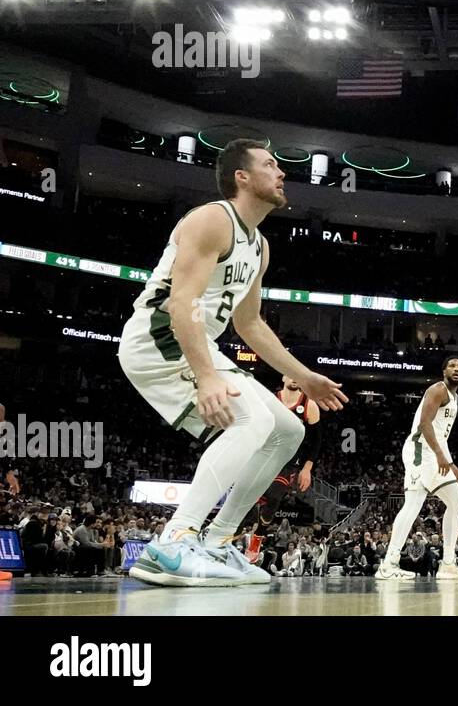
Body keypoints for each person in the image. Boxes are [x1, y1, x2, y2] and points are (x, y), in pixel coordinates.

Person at [118, 139, 348, 586]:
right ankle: (173, 541)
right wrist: (206, 377)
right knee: (251, 422)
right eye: (270, 165)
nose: (281, 173)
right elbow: (181, 301)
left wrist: (305, 377)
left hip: (200, 342)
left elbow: (250, 324)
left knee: (288, 429)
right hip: (160, 337)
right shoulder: (212, 218)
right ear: (241, 177)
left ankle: (218, 542)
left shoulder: (259, 245)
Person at [376, 358, 458, 581]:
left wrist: (449, 461)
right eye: (452, 366)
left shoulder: (454, 397)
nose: (456, 369)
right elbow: (424, 424)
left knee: (454, 503)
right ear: (444, 370)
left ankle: (447, 564)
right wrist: (440, 455)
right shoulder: (438, 389)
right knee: (415, 503)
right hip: (421, 450)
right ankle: (389, 563)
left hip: (433, 452)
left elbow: (441, 433)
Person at [246, 376, 323, 562]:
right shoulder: (271, 400)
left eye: (297, 374)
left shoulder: (309, 405)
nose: (295, 378)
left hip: (288, 460)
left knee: (274, 497)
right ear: (283, 376)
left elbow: (317, 440)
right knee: (247, 499)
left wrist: (307, 468)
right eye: (290, 373)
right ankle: (236, 536)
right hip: (264, 452)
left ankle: (257, 538)